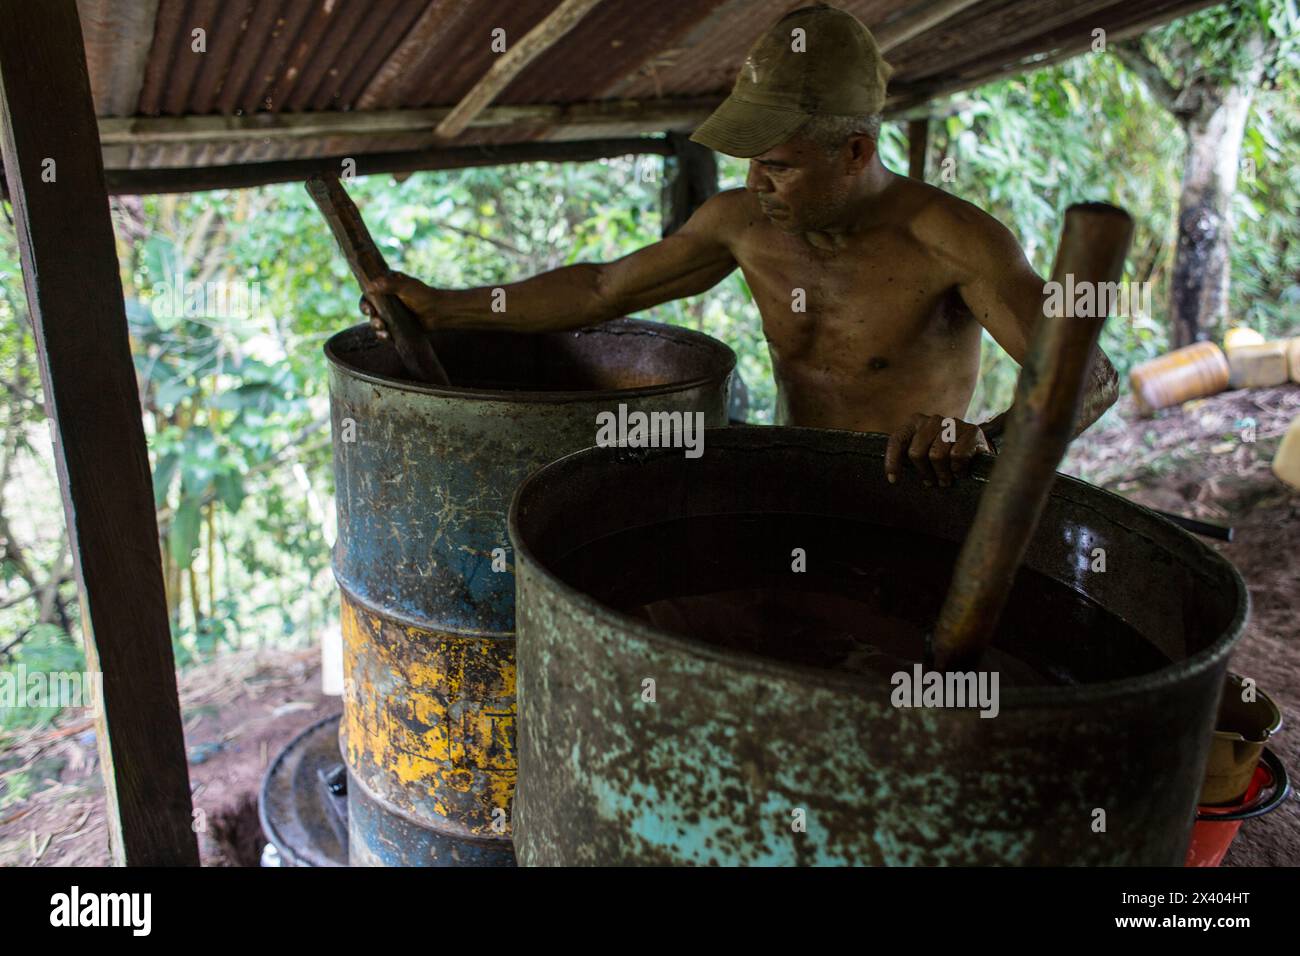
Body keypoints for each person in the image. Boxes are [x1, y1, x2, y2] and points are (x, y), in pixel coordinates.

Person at [361, 3, 1117, 488]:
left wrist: (979, 439)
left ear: (855, 152)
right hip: (793, 484)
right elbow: (600, 292)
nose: (756, 182)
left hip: (913, 504)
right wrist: (440, 306)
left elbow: (1090, 381)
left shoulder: (952, 241)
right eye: (749, 160)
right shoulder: (739, 223)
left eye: (779, 165)